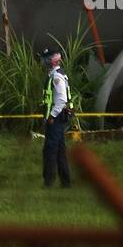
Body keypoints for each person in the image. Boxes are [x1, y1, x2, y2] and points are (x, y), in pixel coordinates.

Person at [41, 49, 72, 188]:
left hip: (56, 117)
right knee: (60, 149)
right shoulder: (56, 74)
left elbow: (61, 100)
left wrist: (52, 116)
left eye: (47, 58)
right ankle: (65, 181)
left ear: (53, 61)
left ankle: (49, 181)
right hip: (59, 116)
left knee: (50, 149)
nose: (44, 61)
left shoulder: (56, 77)